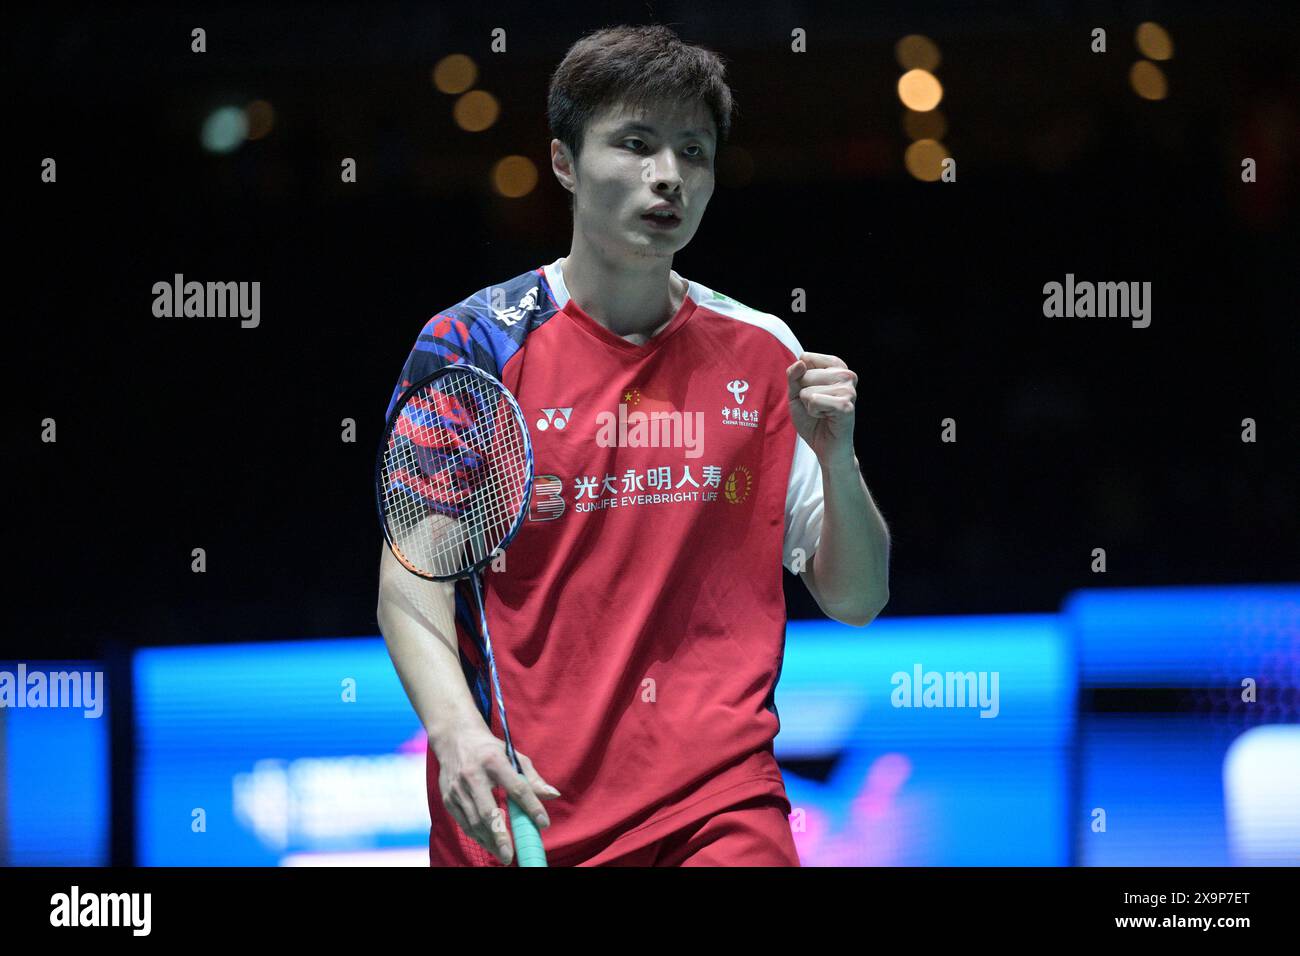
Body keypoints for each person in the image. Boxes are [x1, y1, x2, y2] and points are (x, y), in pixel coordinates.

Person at [376, 23, 890, 867]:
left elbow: (857, 598)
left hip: (719, 808)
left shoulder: (766, 351)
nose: (669, 177)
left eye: (694, 151)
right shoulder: (472, 348)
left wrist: (838, 459)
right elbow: (411, 580)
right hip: (523, 811)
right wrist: (457, 734)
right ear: (565, 162)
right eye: (637, 144)